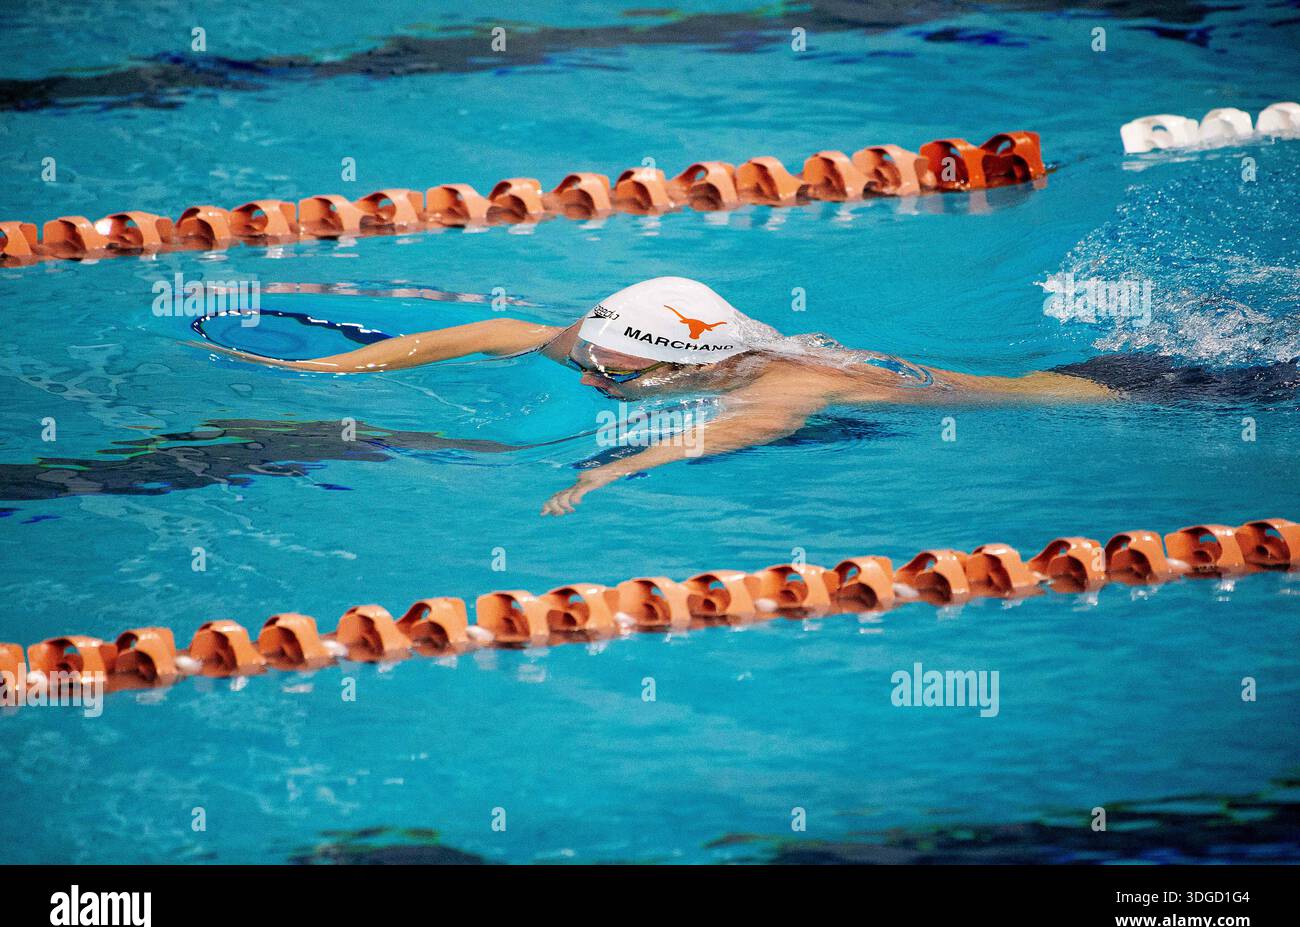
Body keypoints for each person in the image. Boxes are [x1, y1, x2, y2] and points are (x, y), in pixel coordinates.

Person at [197, 276, 1295, 514]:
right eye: (595, 354)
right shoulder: (610, 345)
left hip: (1112, 399)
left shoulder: (782, 380)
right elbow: (489, 331)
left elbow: (723, 439)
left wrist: (610, 471)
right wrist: (313, 373)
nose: (589, 370)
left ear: (680, 367)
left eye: (613, 371)